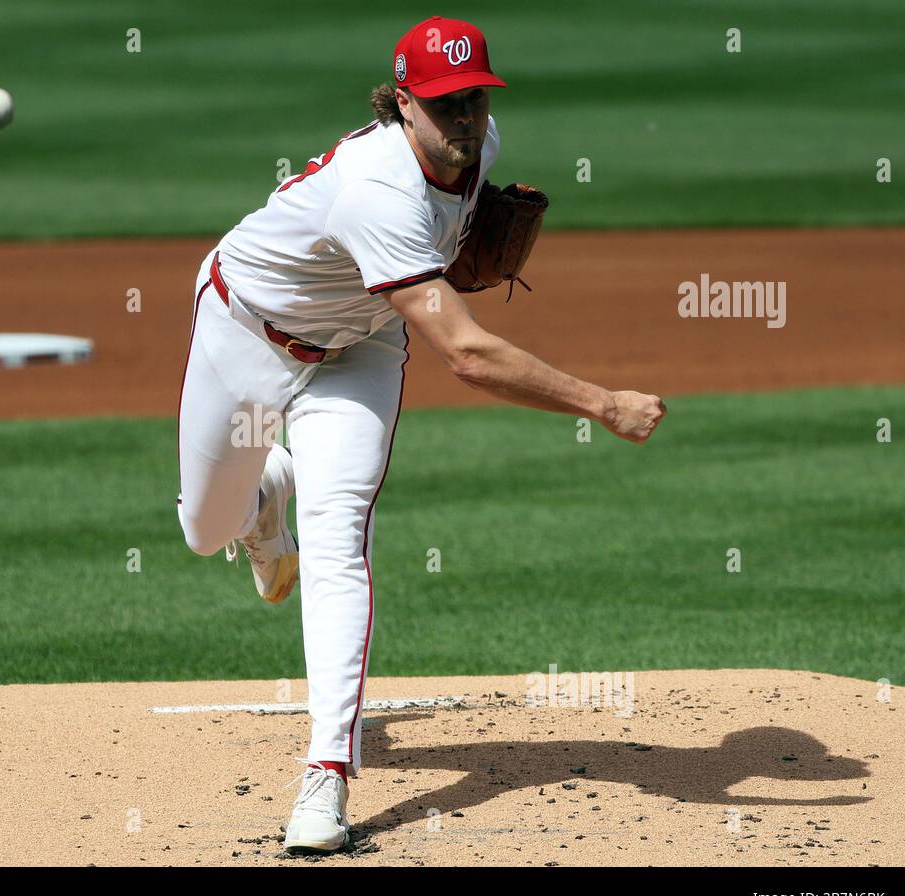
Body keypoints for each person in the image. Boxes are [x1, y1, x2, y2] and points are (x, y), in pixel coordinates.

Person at [175, 15, 666, 852]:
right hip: (248, 334)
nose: (463, 119)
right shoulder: (377, 190)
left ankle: (326, 775)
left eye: (472, 97)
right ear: (404, 103)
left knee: (337, 540)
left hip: (358, 349)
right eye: (442, 104)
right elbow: (468, 355)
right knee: (203, 528)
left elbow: (448, 257)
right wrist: (602, 404)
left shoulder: (482, 142)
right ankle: (262, 495)